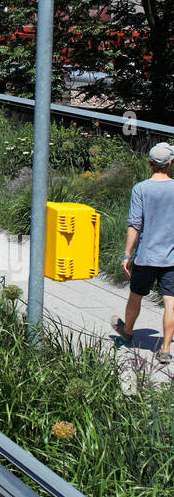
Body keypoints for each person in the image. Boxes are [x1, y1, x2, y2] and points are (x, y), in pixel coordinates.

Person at [113, 142, 174, 364]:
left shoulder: (141, 189)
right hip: (171, 259)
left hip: (146, 256)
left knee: (136, 295)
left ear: (150, 164)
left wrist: (127, 253)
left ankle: (128, 330)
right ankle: (165, 348)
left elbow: (134, 224)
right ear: (170, 164)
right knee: (170, 302)